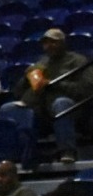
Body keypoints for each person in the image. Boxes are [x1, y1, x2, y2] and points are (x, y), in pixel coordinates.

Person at [7, 28, 93, 166]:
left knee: (61, 103)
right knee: (10, 108)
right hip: (43, 112)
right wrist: (26, 78)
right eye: (45, 43)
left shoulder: (78, 60)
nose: (49, 46)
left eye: (53, 42)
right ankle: (17, 155)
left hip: (74, 111)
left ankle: (67, 151)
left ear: (63, 43)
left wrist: (54, 84)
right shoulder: (41, 63)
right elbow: (18, 93)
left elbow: (87, 89)